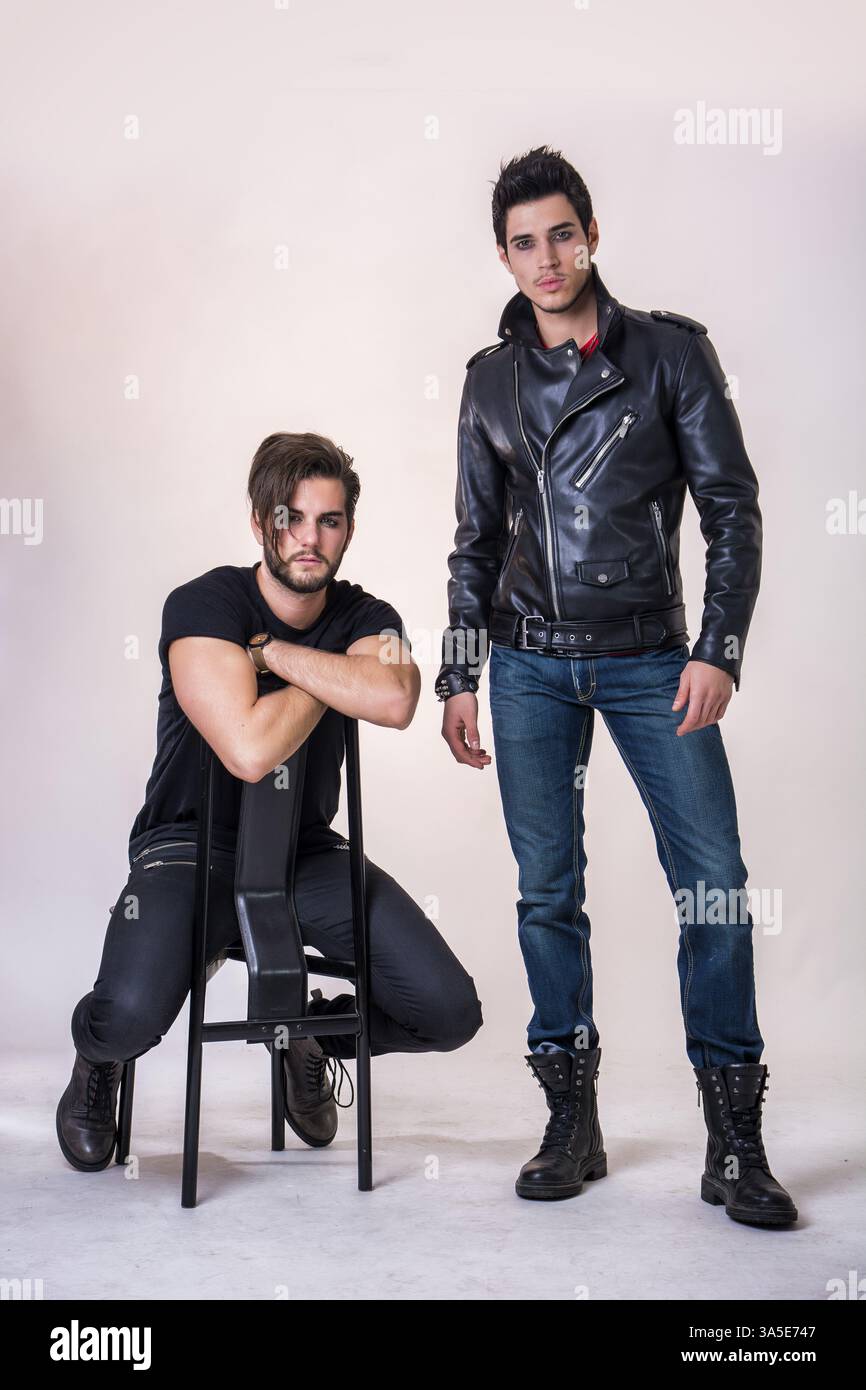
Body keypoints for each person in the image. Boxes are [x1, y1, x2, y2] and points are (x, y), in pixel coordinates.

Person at [435, 145, 797, 1225]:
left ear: (590, 232)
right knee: (547, 891)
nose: (543, 259)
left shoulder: (669, 355)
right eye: (520, 242)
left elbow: (732, 509)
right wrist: (460, 671)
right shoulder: (485, 381)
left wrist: (717, 648)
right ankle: (570, 1119)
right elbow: (471, 539)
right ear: (500, 255)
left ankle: (734, 1140)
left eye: (559, 233)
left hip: (651, 658)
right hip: (527, 665)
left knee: (713, 884)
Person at [58, 432, 482, 1172]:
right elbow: (250, 748)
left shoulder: (363, 610)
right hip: (191, 846)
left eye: (329, 520)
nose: (309, 538)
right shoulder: (203, 603)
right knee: (124, 1017)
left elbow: (394, 698)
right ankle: (99, 1059)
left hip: (305, 852)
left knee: (448, 1010)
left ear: (348, 527)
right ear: (260, 521)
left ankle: (304, 1032)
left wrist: (274, 656)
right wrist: (333, 674)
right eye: (291, 518)